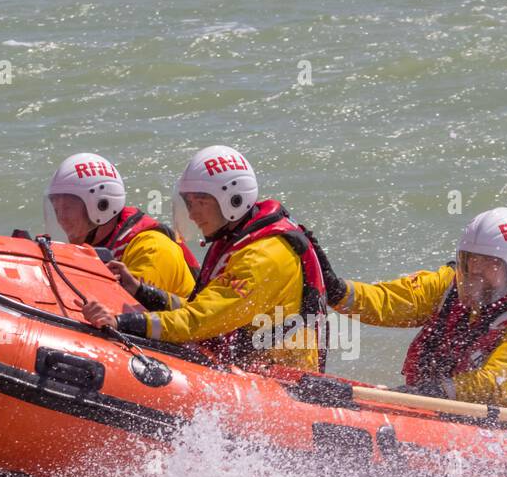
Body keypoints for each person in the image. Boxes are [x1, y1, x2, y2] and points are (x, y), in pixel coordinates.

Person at [81, 145, 328, 371]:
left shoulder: (261, 258)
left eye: (200, 202)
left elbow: (197, 322)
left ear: (233, 200)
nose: (192, 213)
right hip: (248, 366)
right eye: (188, 203)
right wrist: (140, 291)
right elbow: (200, 309)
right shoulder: (237, 242)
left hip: (280, 380)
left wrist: (120, 322)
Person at [315, 207, 507, 410]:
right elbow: (388, 302)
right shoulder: (448, 286)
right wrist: (336, 290)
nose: (475, 273)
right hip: (440, 406)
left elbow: (495, 384)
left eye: (488, 264)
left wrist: (427, 392)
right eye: (470, 261)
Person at [44, 152, 196, 298]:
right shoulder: (96, 247)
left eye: (68, 208)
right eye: (56, 209)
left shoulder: (152, 250)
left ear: (102, 205)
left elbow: (129, 312)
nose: (61, 218)